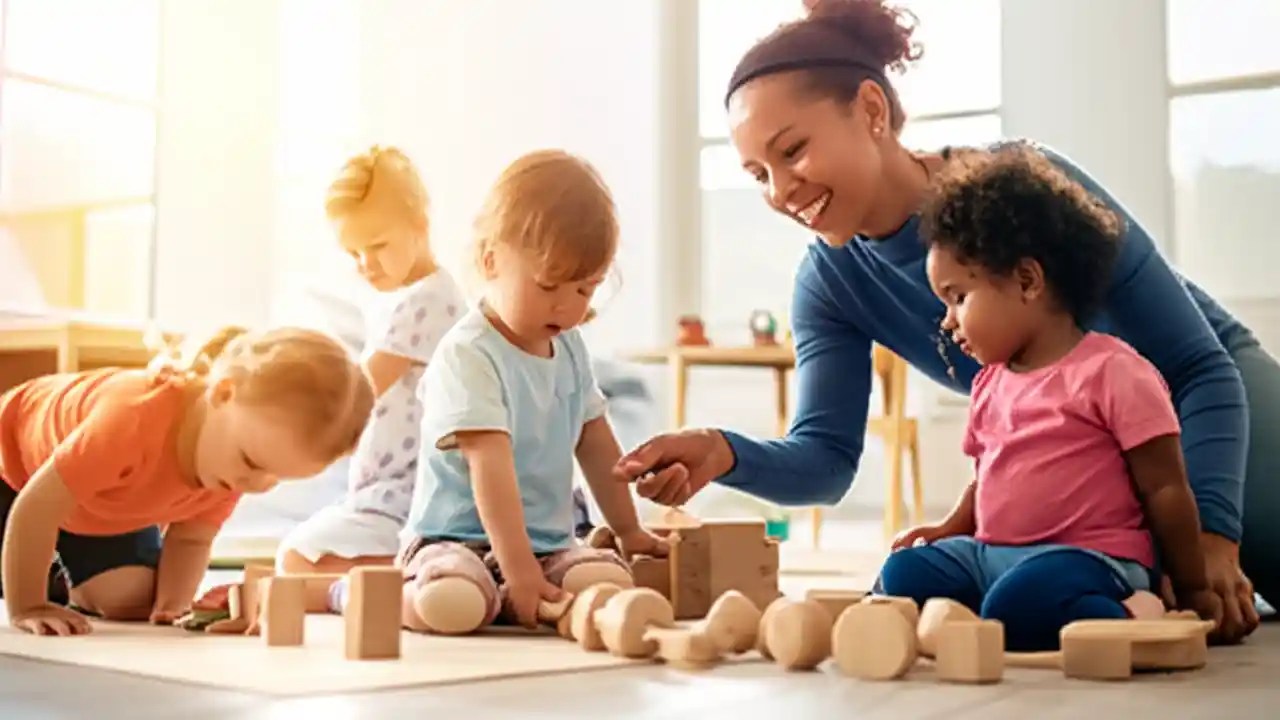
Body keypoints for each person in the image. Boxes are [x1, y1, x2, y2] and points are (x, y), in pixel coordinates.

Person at [612, 0, 1273, 645]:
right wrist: (722, 450)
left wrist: (1215, 536)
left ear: (871, 110)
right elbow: (826, 460)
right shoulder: (830, 282)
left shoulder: (1021, 183)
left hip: (1212, 421)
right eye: (758, 173)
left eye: (793, 151)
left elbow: (1200, 368)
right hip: (1091, 476)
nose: (779, 192)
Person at [875, 145, 1218, 650]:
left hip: (1088, 558)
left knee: (1021, 603)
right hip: (994, 555)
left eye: (958, 297)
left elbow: (1166, 488)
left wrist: (1193, 588)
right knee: (904, 571)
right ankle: (989, 613)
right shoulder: (990, 382)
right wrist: (951, 527)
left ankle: (1131, 613)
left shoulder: (1114, 371)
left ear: (1027, 281)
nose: (947, 321)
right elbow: (987, 478)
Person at [329, 149, 667, 633]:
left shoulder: (568, 348)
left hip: (547, 543)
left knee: (607, 583)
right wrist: (519, 570)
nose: (568, 308)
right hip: (453, 542)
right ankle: (361, 592)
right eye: (550, 285)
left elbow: (596, 445)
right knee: (454, 604)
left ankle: (511, 595)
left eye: (585, 290)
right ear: (491, 261)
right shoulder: (469, 354)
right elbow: (491, 467)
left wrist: (629, 530)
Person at [0, 326, 373, 636]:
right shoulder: (132, 417)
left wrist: (172, 606)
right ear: (223, 394)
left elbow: (192, 538)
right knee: (24, 557)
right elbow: (37, 506)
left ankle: (54, 572)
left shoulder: (231, 469)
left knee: (131, 602)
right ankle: (36, 574)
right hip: (17, 473)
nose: (256, 484)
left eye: (277, 479)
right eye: (252, 462)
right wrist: (27, 605)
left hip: (103, 507)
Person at [276, 146, 465, 578]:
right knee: (300, 557)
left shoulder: (426, 301)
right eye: (353, 252)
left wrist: (306, 438)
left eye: (377, 246)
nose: (365, 264)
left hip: (409, 494)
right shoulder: (404, 297)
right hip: (389, 492)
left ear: (421, 226)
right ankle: (424, 567)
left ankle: (424, 567)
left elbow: (360, 392)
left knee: (297, 560)